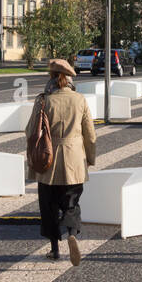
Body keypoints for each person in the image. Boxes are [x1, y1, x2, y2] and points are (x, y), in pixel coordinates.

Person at [27, 59, 97, 264]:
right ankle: (72, 233)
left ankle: (54, 249)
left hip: (48, 161)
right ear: (68, 79)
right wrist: (90, 158)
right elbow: (90, 135)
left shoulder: (43, 100)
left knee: (48, 205)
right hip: (74, 160)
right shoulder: (79, 100)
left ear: (51, 77)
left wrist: (32, 157)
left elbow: (31, 131)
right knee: (71, 202)